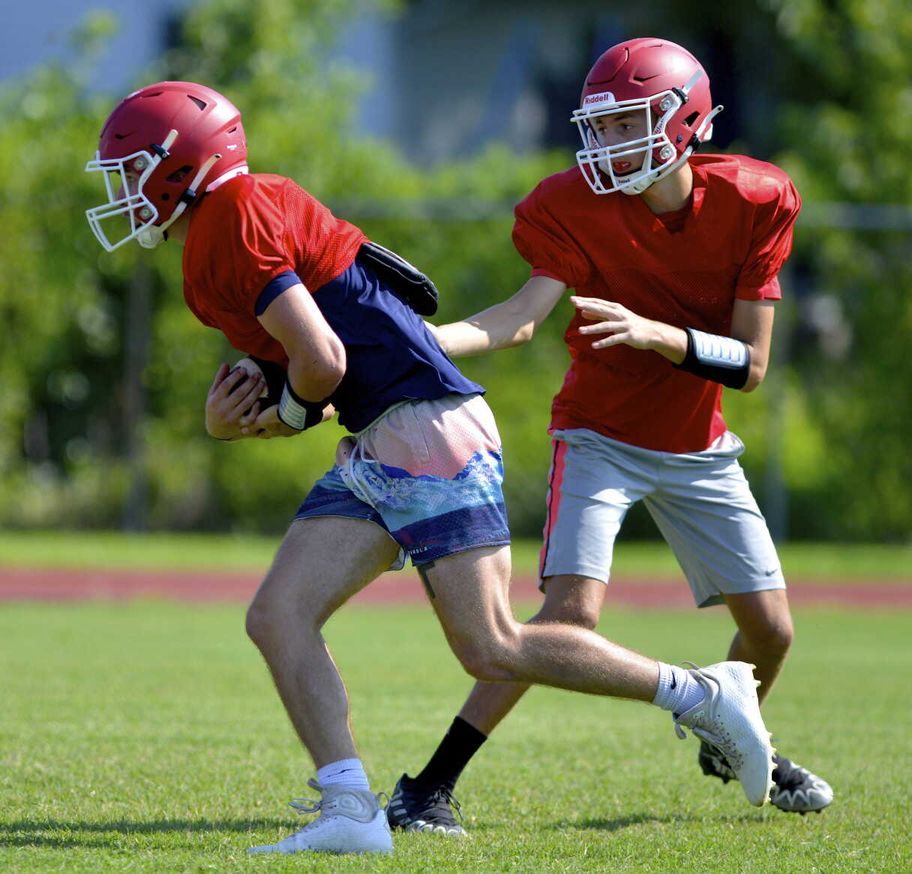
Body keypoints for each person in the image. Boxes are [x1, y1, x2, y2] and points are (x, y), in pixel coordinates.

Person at [83, 80, 778, 855]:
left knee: (492, 646)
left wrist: (269, 419)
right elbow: (326, 370)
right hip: (387, 432)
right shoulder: (240, 215)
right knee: (278, 616)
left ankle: (706, 694)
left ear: (182, 166)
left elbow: (321, 361)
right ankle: (349, 809)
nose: (123, 190)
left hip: (426, 431)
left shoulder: (231, 219)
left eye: (132, 169)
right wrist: (237, 420)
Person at [386, 37, 835, 836]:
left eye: (631, 125)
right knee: (567, 620)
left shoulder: (757, 198)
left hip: (698, 442)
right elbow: (518, 319)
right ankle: (429, 785)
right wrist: (416, 339)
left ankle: (729, 738)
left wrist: (655, 334)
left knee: (772, 630)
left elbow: (753, 363)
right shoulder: (571, 203)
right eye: (603, 126)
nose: (611, 144)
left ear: (687, 124)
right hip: (597, 433)